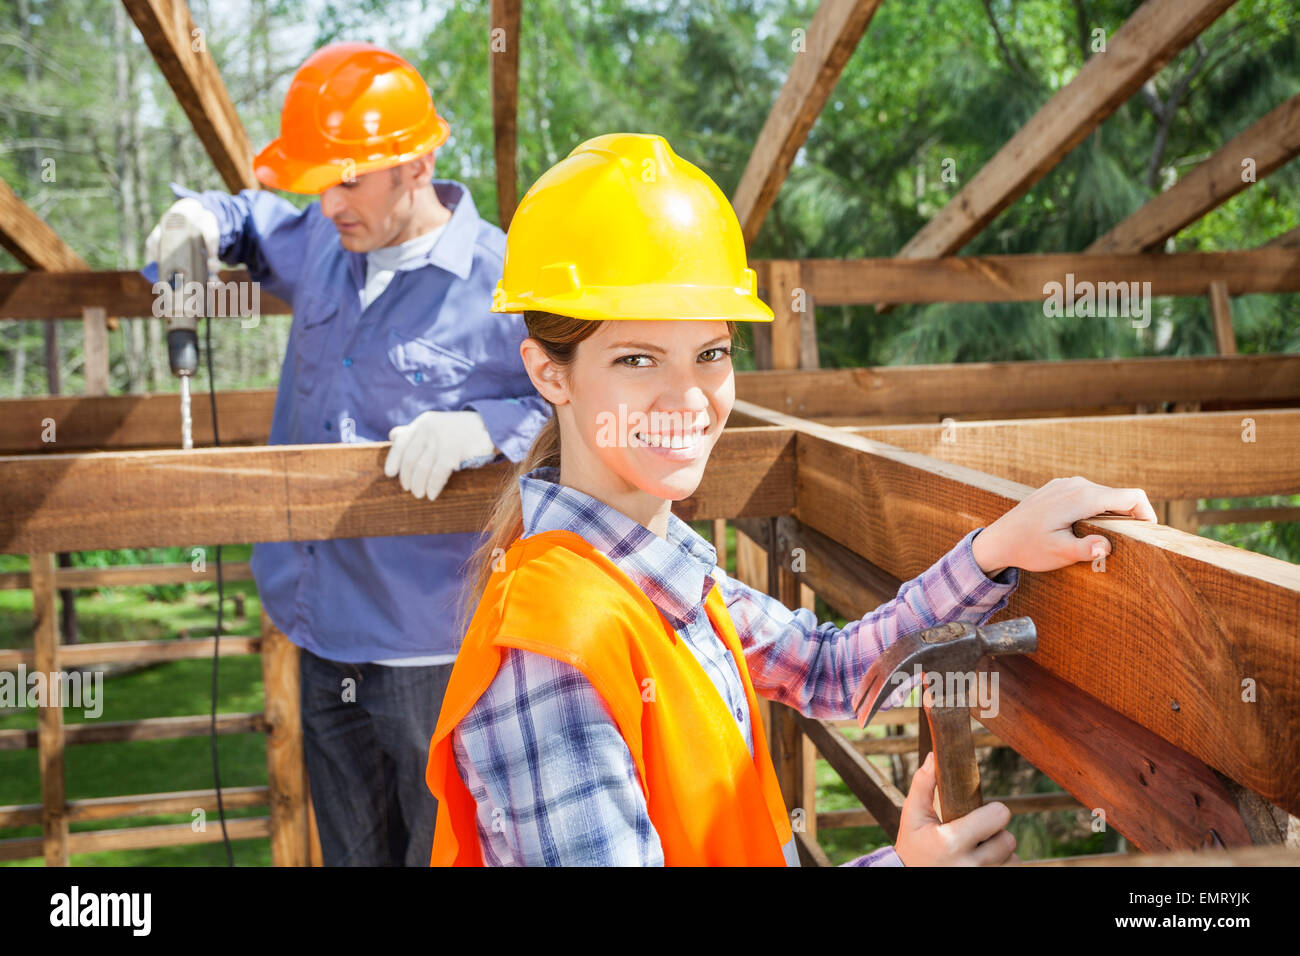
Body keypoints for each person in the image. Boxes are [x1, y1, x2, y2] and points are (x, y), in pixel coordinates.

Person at [424, 132, 1158, 866]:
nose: (689, 398)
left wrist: (998, 549)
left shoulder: (660, 569)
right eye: (637, 359)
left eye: (711, 353)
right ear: (552, 375)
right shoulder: (553, 653)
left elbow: (830, 669)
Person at [145, 42, 548, 866]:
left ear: (418, 163)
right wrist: (202, 219)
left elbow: (576, 399)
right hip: (318, 628)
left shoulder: (504, 277)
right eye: (319, 183)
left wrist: (488, 425)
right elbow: (253, 221)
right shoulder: (329, 242)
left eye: (349, 180)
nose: (329, 204)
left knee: (443, 853)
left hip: (430, 647)